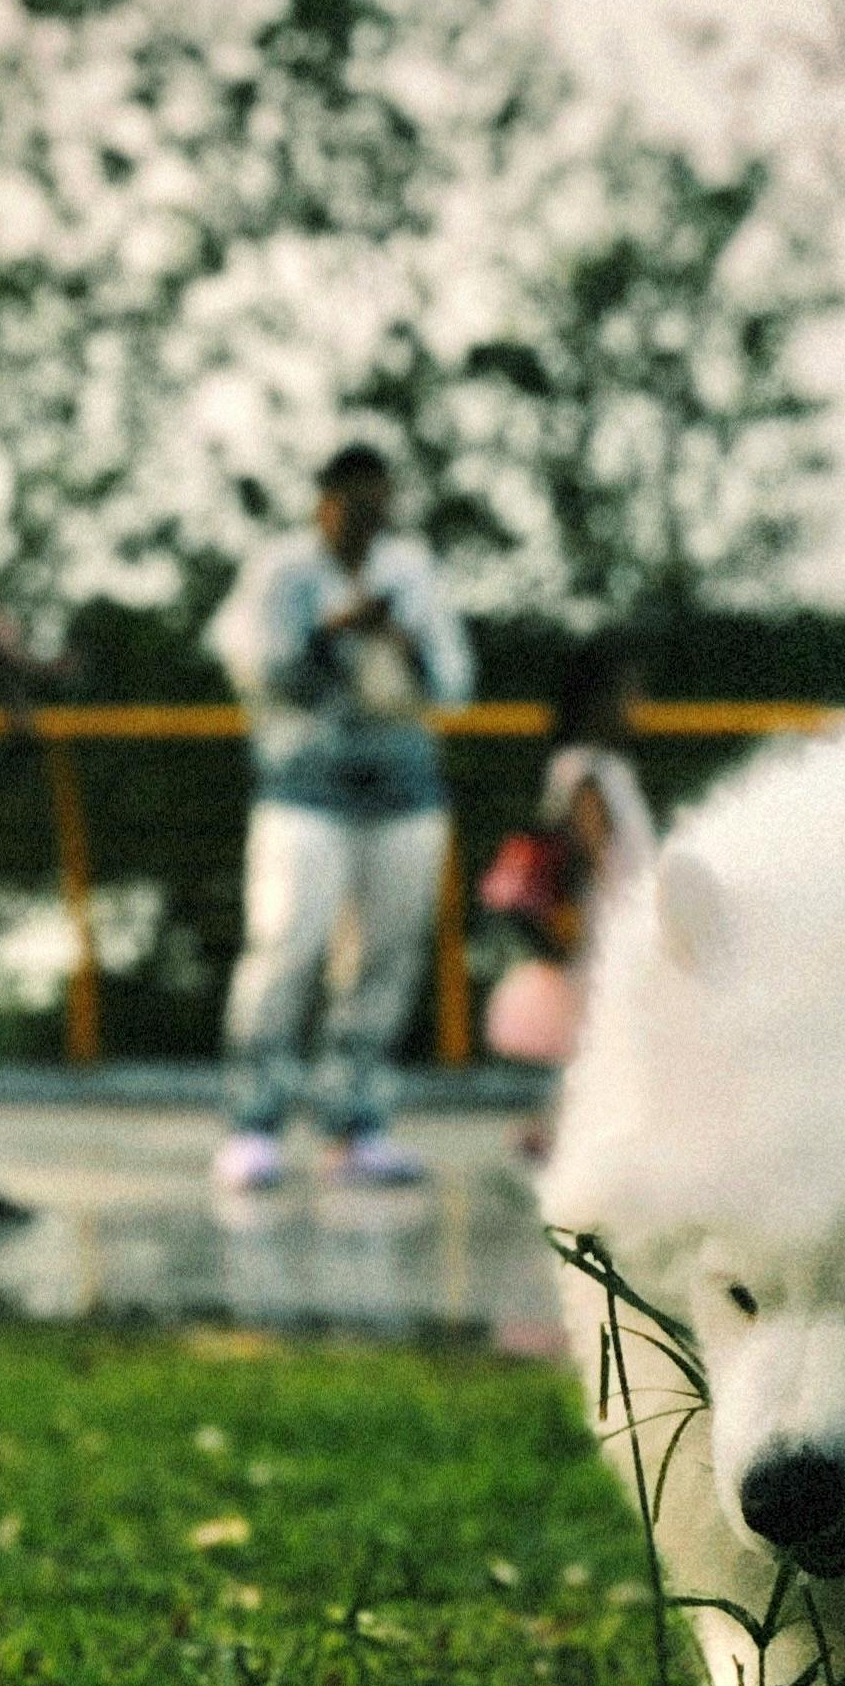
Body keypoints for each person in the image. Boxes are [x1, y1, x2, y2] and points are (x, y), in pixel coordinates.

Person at [208, 445, 473, 1192]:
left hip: (402, 786)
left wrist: (401, 641)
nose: (367, 521)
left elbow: (454, 682)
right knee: (287, 943)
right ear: (325, 501)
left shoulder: (410, 569)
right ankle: (253, 1122)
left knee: (387, 956)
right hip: (305, 786)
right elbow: (258, 670)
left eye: (379, 506)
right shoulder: (282, 572)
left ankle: (355, 1123)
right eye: (354, 505)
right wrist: (331, 634)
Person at [482, 632, 654, 1124]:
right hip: (602, 921)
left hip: (612, 918)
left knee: (599, 1034)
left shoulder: (606, 768)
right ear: (597, 699)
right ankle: (559, 1130)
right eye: (627, 693)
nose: (634, 705)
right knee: (598, 1030)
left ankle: (567, 1127)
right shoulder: (584, 769)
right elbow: (594, 850)